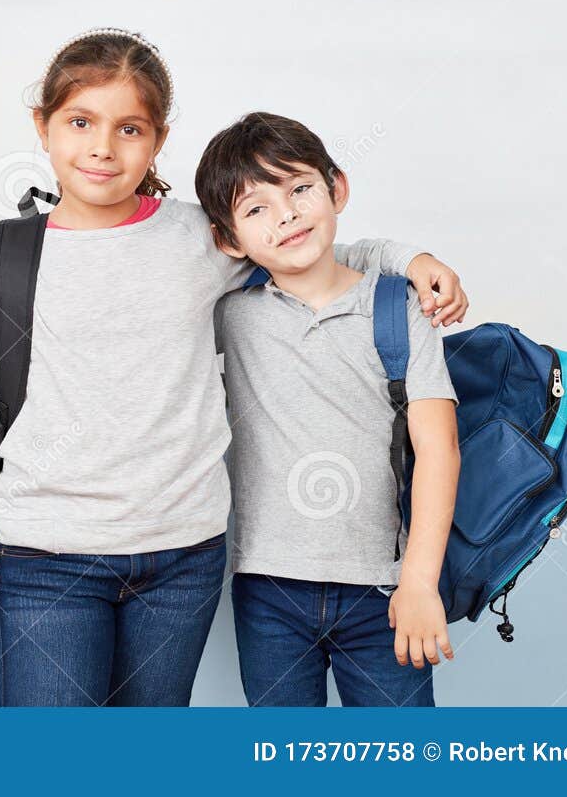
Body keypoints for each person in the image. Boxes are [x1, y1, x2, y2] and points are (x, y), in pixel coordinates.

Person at [0, 29, 468, 706]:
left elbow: (304, 246)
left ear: (158, 139)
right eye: (80, 122)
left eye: (130, 128)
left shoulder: (196, 238)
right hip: (48, 561)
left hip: (182, 563)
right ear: (43, 125)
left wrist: (407, 258)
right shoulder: (0, 263)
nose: (102, 147)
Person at [198, 111, 461, 706]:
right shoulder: (230, 313)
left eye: (299, 189)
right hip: (267, 589)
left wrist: (419, 580)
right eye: (255, 208)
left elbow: (439, 449)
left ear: (336, 188)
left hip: (385, 589)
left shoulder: (400, 308)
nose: (286, 214)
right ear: (228, 239)